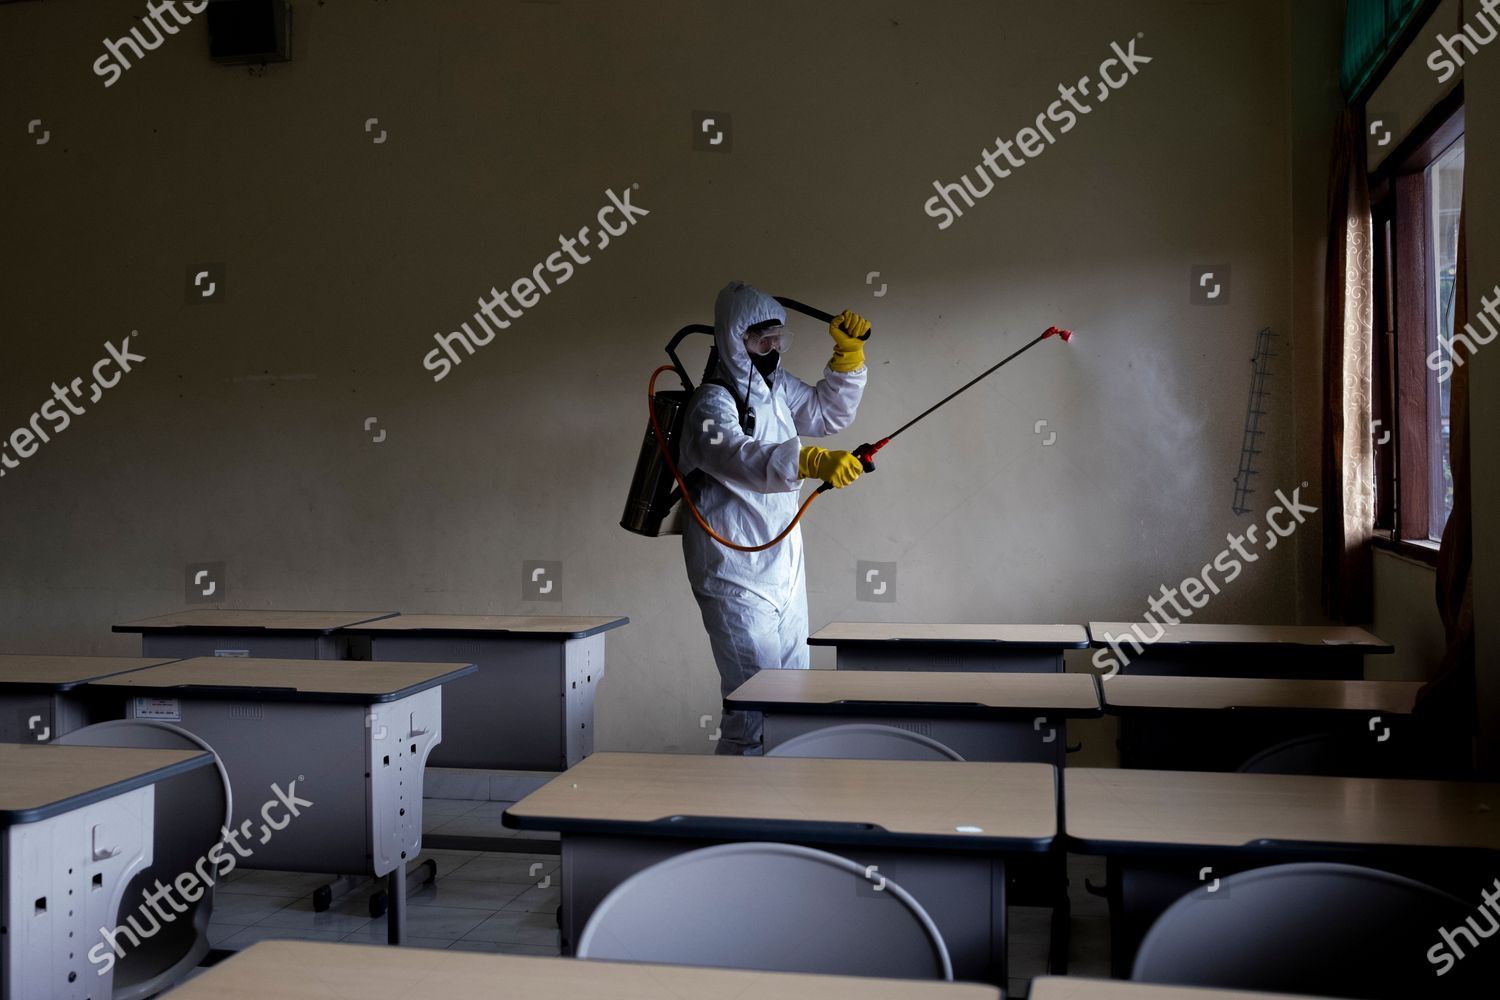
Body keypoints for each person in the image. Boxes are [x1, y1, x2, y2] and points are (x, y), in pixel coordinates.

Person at [679, 280, 871, 754]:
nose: (769, 350)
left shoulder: (775, 388)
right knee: (755, 709)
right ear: (732, 338)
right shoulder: (711, 402)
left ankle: (783, 815)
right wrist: (806, 462)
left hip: (783, 569)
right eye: (759, 340)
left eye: (776, 340)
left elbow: (826, 415)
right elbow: (739, 456)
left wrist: (848, 362)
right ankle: (732, 822)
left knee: (793, 701)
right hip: (733, 573)